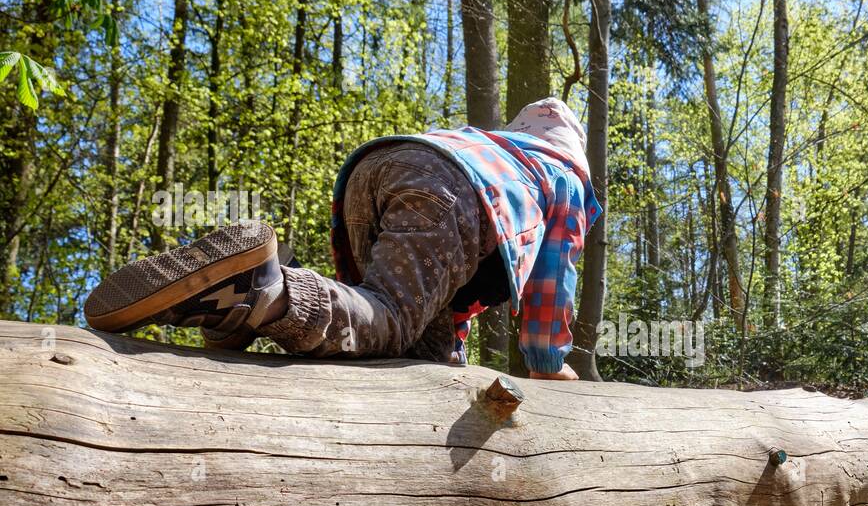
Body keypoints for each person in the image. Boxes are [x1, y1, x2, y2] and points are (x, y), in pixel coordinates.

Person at [84, 97, 600, 381]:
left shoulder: (492, 147)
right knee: (391, 319)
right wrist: (546, 363)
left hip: (377, 166)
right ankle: (264, 291)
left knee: (396, 339)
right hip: (451, 190)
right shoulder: (562, 176)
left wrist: (448, 365)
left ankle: (224, 303)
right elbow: (552, 283)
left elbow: (440, 308)